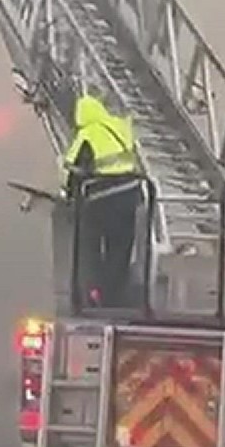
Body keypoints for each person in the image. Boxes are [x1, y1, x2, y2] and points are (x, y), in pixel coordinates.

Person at [62, 92, 139, 308]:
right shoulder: (120, 127)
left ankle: (93, 296)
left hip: (101, 199)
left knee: (91, 250)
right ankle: (115, 296)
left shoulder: (87, 135)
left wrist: (68, 194)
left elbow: (73, 169)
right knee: (120, 249)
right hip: (130, 196)